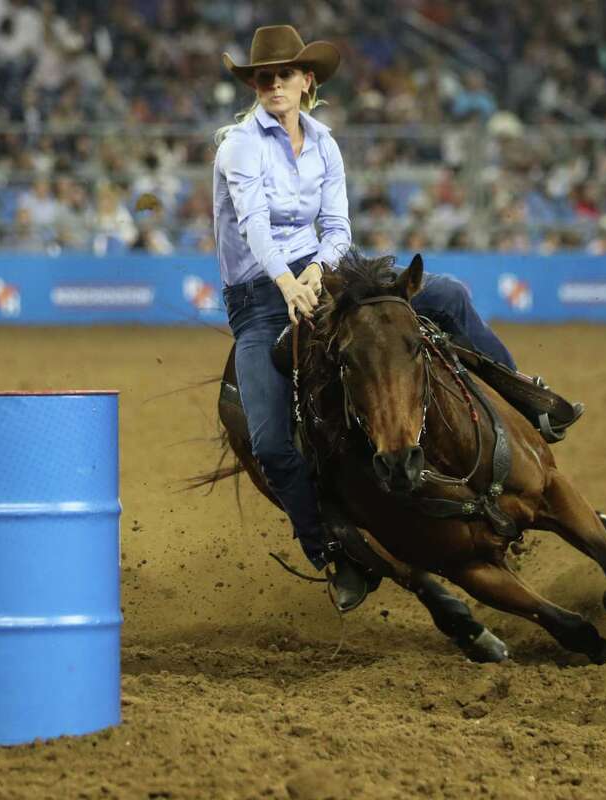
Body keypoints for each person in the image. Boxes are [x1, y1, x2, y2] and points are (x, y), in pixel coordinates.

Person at [215, 26, 526, 613]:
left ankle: (523, 399)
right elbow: (253, 223)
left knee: (448, 297)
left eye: (285, 74)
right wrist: (287, 281)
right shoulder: (239, 145)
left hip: (326, 275)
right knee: (271, 443)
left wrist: (317, 271)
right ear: (255, 86)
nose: (275, 84)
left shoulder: (324, 143)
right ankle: (331, 551)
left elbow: (337, 228)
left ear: (307, 81)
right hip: (259, 297)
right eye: (264, 77)